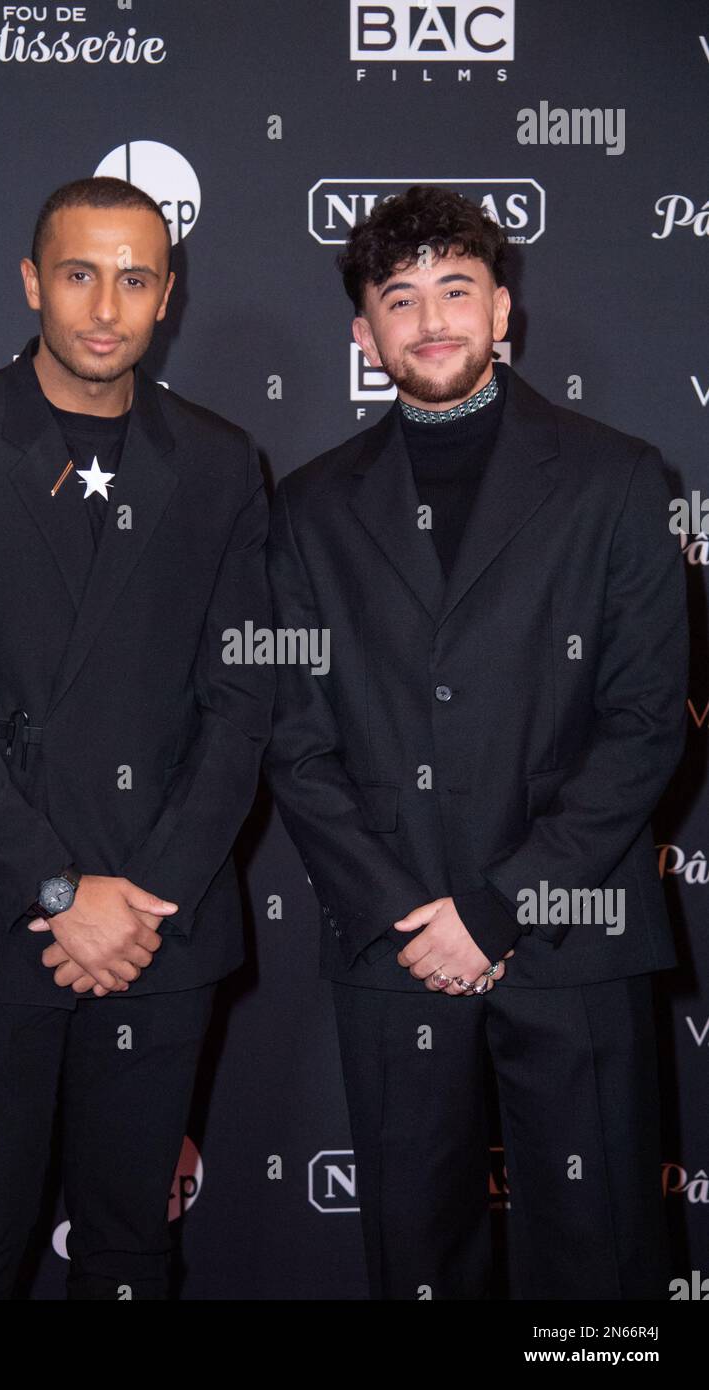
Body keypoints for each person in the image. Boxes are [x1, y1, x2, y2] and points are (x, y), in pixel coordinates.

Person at [263, 185, 688, 1300]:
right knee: (415, 1260)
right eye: (396, 300)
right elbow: (292, 740)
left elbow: (645, 723)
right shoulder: (306, 510)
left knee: (598, 1266)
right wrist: (411, 916)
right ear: (363, 337)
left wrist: (498, 907)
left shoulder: (616, 479)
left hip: (572, 935)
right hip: (392, 945)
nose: (430, 318)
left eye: (455, 289)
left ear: (503, 310)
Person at [0, 176, 273, 1299]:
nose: (105, 306)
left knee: (133, 1248)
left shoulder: (222, 463)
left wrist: (143, 897)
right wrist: (57, 890)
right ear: (33, 282)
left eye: (134, 278)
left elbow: (243, 701)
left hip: (158, 930)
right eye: (80, 274)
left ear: (166, 296)